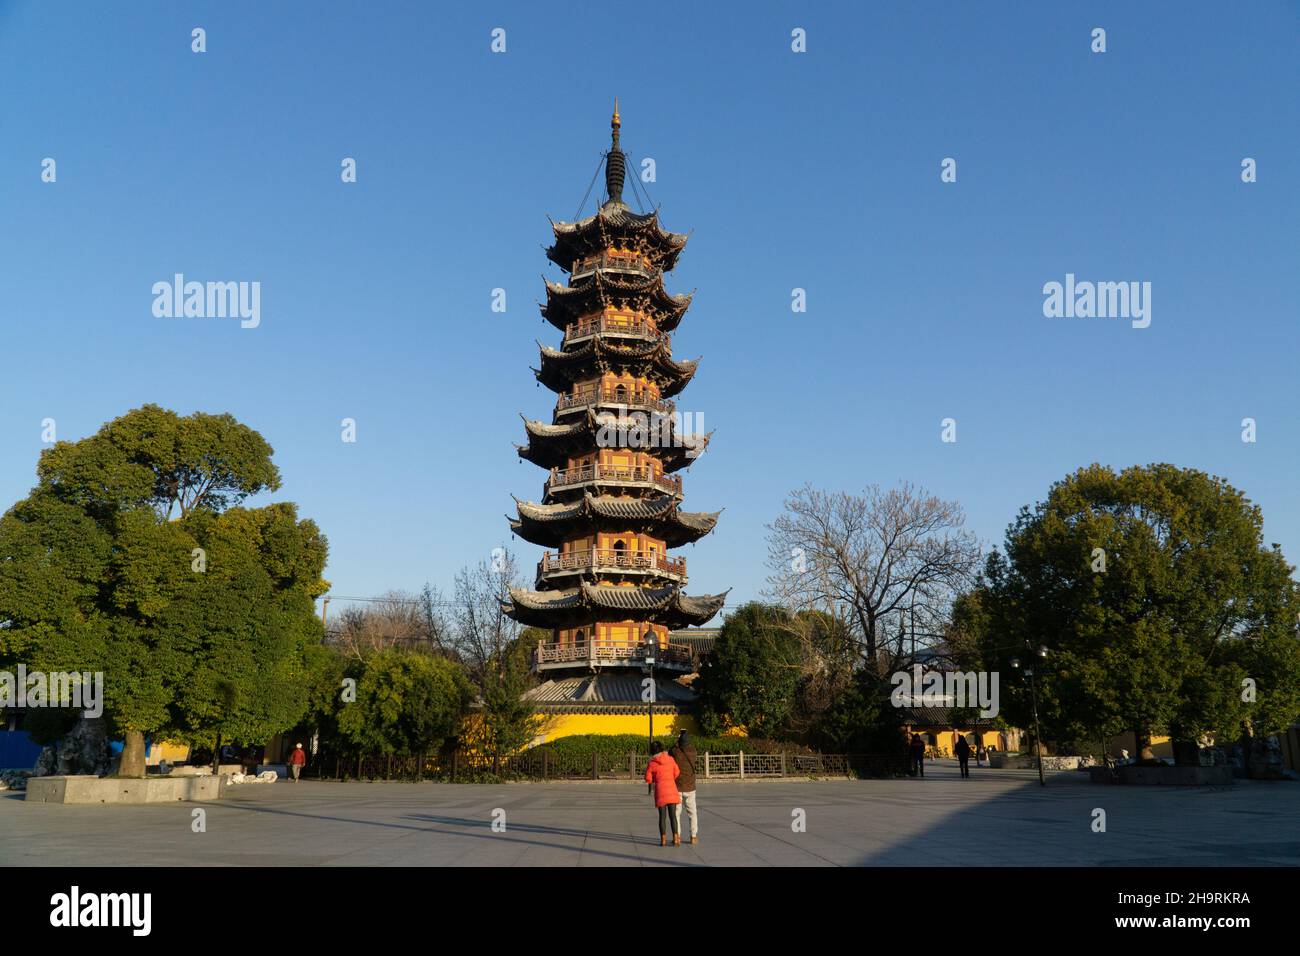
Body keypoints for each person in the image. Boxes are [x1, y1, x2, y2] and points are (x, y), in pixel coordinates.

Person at [644, 741, 681, 846]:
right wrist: (670, 778)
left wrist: (654, 779)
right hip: (672, 790)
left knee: (662, 817)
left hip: (661, 792)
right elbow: (677, 772)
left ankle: (663, 839)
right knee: (673, 816)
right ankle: (676, 838)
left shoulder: (652, 763)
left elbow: (648, 779)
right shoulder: (670, 759)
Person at [669, 730, 700, 845]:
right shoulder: (693, 751)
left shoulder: (676, 752)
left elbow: (670, 750)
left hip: (677, 786)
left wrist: (676, 742)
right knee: (692, 812)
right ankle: (693, 836)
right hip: (690, 786)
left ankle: (677, 836)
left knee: (676, 813)